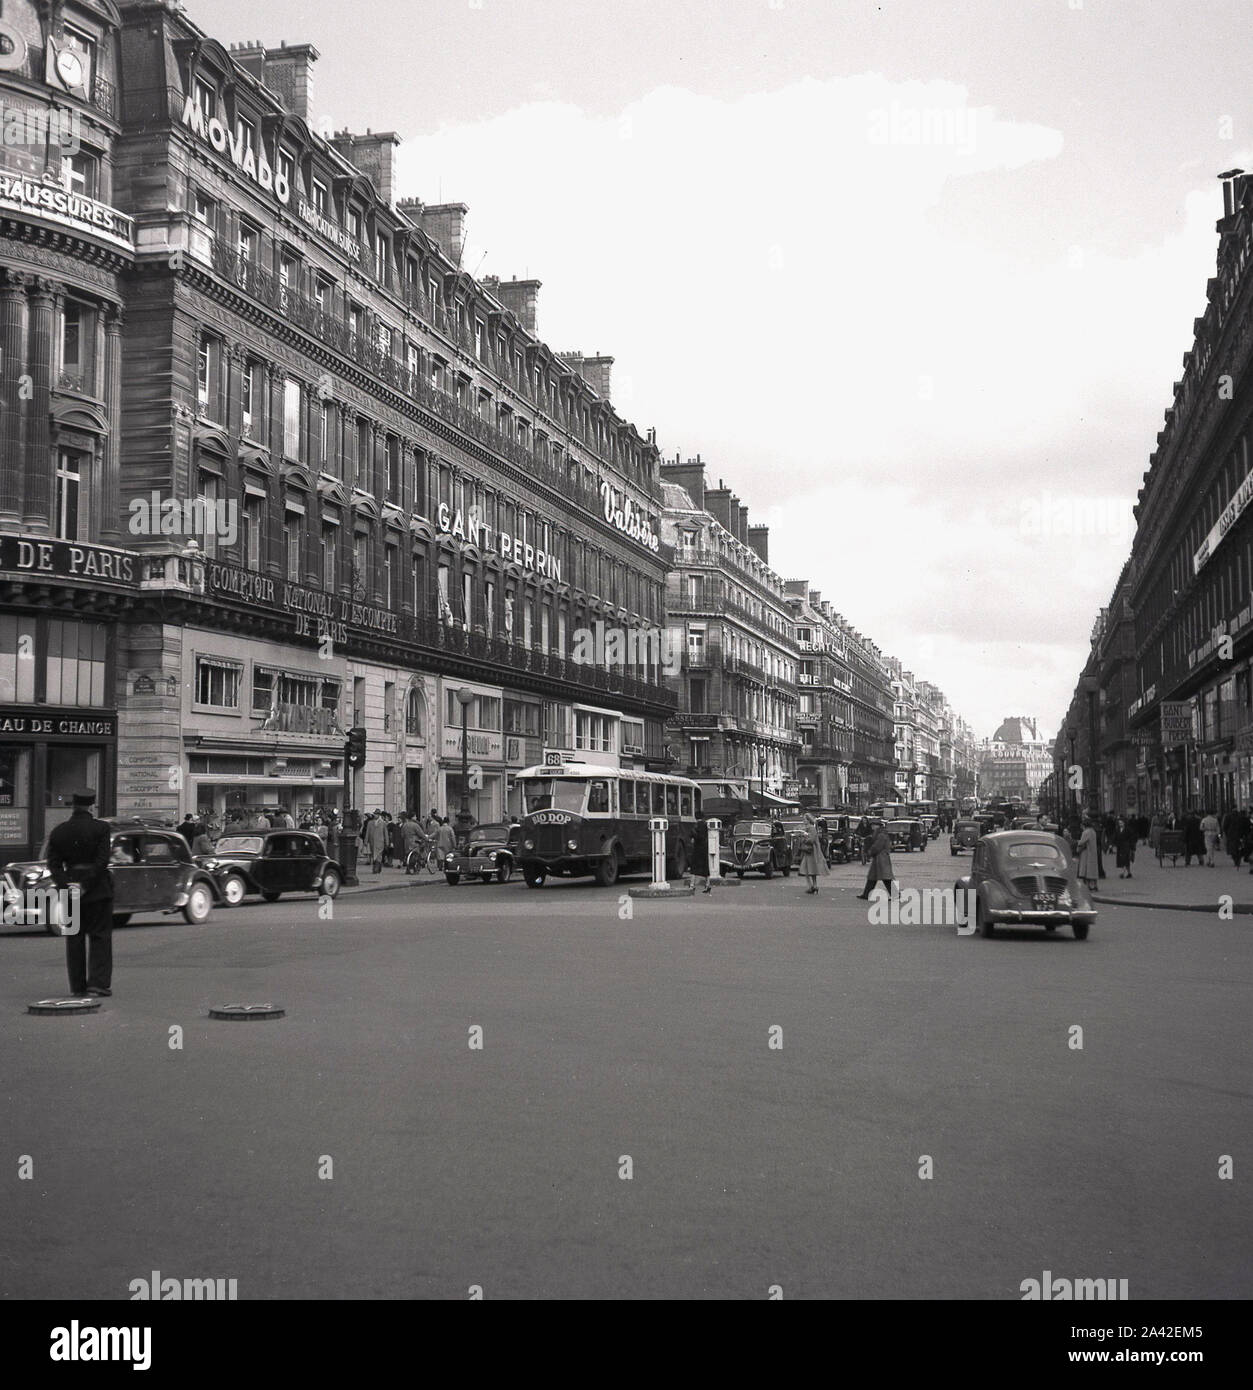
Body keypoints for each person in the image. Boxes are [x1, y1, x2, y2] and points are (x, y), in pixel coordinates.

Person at [46, 789, 114, 998]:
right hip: (97, 889)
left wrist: (67, 885)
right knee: (99, 936)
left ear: (73, 805)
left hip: (69, 888)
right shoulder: (101, 828)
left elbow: (54, 865)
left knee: (74, 939)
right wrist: (86, 884)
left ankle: (77, 986)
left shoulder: (59, 831)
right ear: (92, 805)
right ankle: (97, 983)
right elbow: (102, 861)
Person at [857, 821, 894, 900]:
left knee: (886, 878)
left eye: (874, 825)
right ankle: (866, 894)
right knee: (872, 877)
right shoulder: (879, 833)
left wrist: (870, 852)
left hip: (881, 858)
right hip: (879, 858)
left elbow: (877, 846)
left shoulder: (881, 835)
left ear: (878, 826)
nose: (872, 827)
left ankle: (895, 894)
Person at [798, 813, 829, 895]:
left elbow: (811, 840)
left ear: (808, 820)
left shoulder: (811, 828)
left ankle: (812, 886)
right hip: (810, 851)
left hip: (811, 851)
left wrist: (804, 837)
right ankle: (813, 886)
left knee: (808, 869)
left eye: (804, 819)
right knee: (809, 869)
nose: (803, 821)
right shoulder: (808, 828)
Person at [1076, 816, 1100, 891]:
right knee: (1092, 870)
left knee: (1086, 870)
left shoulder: (1086, 832)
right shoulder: (1093, 831)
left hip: (1087, 853)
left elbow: (1081, 842)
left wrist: (1077, 841)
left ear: (1084, 825)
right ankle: (1094, 885)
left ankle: (1090, 886)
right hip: (1093, 852)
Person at [690, 816, 713, 894]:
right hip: (705, 848)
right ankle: (708, 885)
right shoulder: (705, 825)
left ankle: (692, 885)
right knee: (705, 867)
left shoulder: (696, 825)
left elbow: (696, 836)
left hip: (697, 848)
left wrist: (693, 834)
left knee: (694, 867)